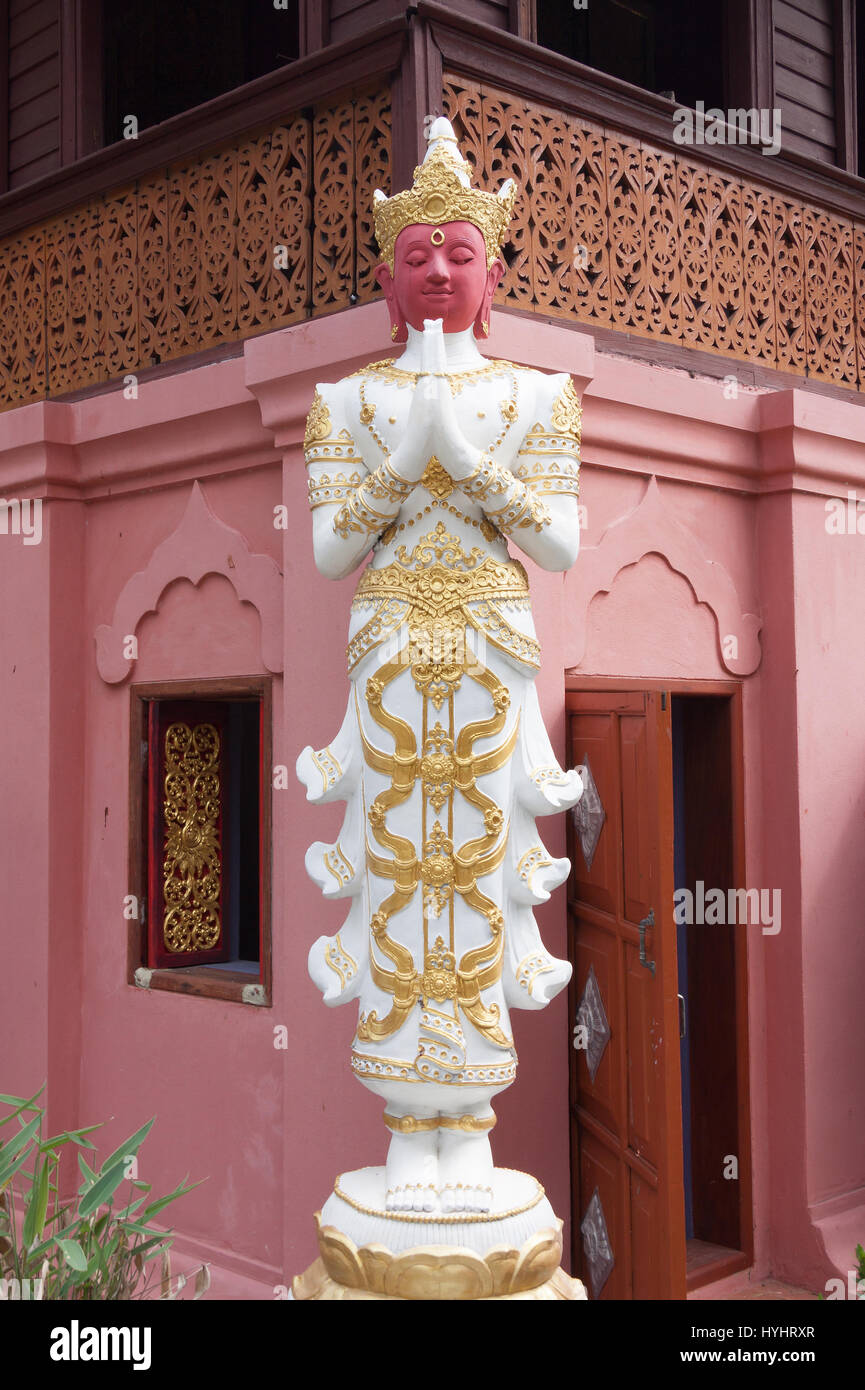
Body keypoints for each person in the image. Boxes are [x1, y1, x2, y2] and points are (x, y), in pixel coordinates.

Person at [297, 118, 584, 1214]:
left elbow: (556, 543)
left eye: (460, 255)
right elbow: (330, 551)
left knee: (476, 865)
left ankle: (465, 1126)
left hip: (486, 648)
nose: (437, 274)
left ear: (493, 276)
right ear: (385, 280)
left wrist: (462, 460)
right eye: (417, 259)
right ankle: (402, 1124)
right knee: (390, 865)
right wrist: (402, 458)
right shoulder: (346, 404)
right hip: (382, 659)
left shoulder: (536, 396)